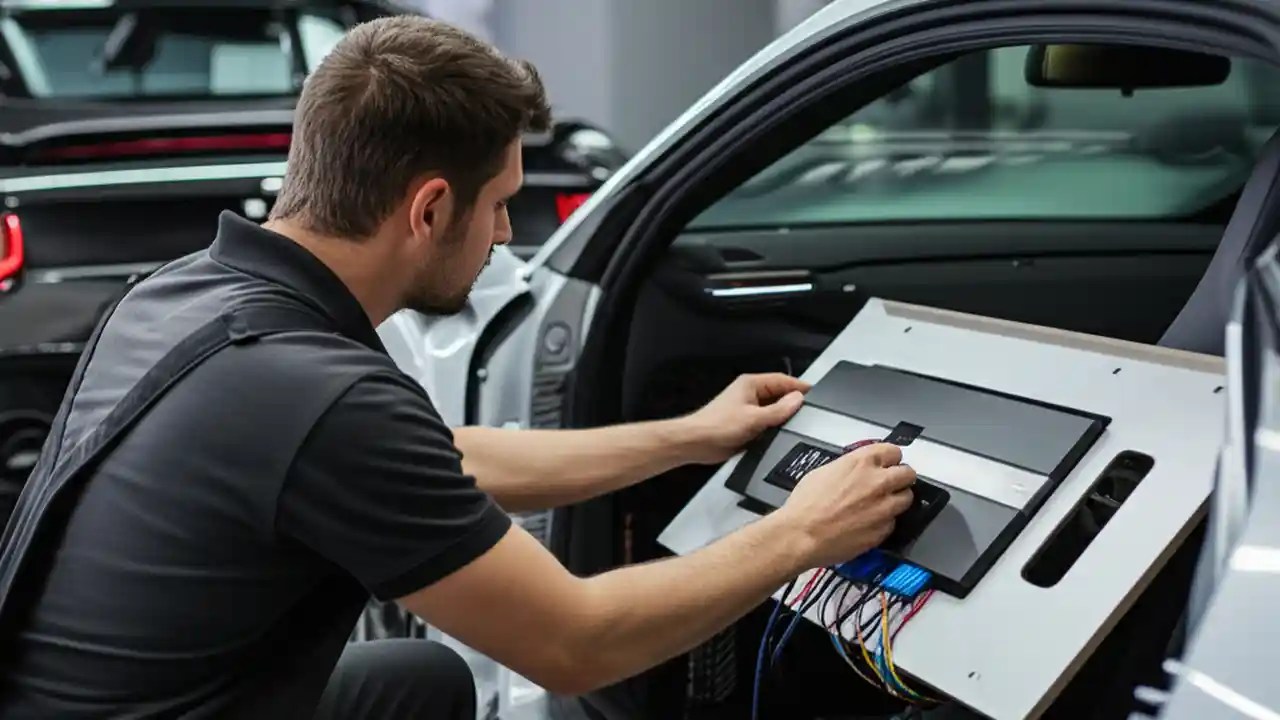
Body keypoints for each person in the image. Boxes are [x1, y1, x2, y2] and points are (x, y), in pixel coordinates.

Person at [0, 16, 915, 720]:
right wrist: (801, 535)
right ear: (429, 209)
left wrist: (690, 438)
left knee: (414, 677)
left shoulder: (186, 294)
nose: (509, 235)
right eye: (503, 205)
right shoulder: (318, 395)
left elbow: (446, 460)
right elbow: (575, 642)